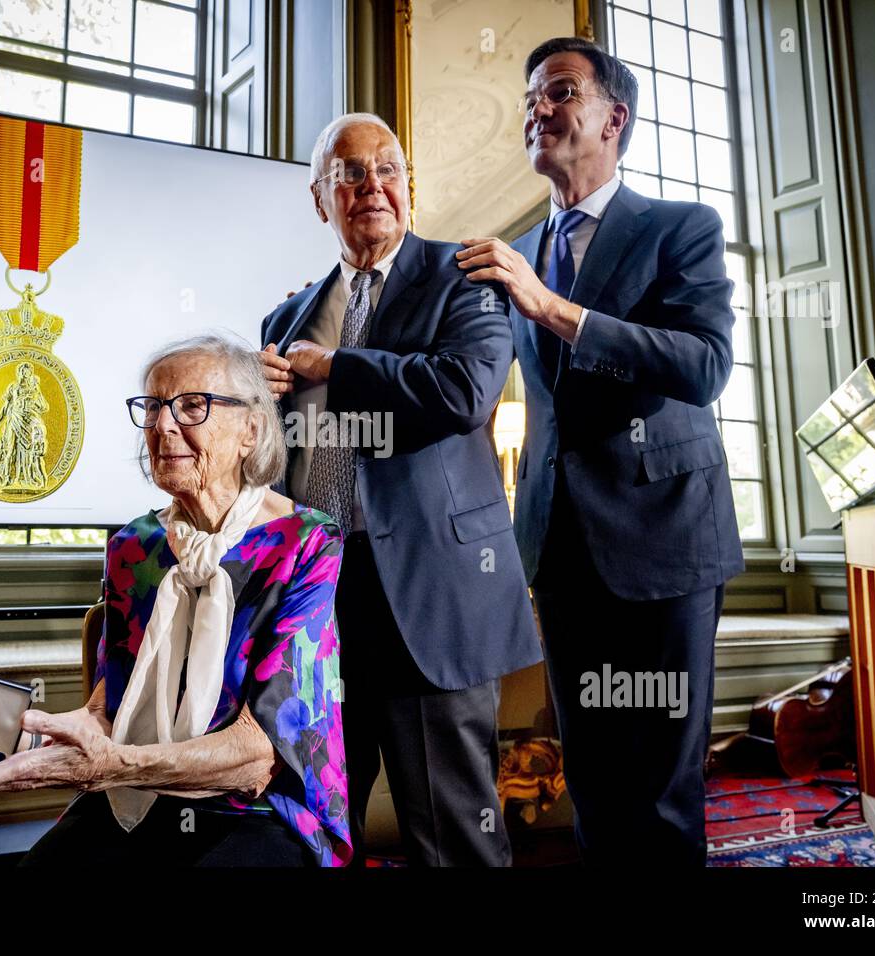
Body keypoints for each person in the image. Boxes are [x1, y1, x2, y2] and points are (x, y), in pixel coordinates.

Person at [0, 334, 350, 867]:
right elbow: (106, 711)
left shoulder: (305, 543)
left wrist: (109, 766)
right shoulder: (134, 546)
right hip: (137, 798)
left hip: (261, 810)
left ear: (251, 430)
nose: (163, 427)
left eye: (192, 406)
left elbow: (256, 758)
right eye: (152, 407)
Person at [455, 36, 745, 866]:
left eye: (559, 92)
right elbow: (456, 372)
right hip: (561, 552)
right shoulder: (520, 249)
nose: (536, 109)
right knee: (593, 780)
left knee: (659, 785)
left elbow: (704, 367)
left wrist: (553, 309)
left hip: (666, 542)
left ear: (613, 118)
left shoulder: (681, 229)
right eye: (529, 99)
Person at [259, 112, 543, 866]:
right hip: (315, 607)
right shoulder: (285, 319)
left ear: (409, 186)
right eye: (348, 174)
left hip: (430, 597)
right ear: (320, 199)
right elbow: (269, 466)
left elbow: (459, 393)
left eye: (387, 168)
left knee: (451, 837)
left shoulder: (467, 278)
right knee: (315, 827)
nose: (370, 186)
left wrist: (333, 369)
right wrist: (249, 408)